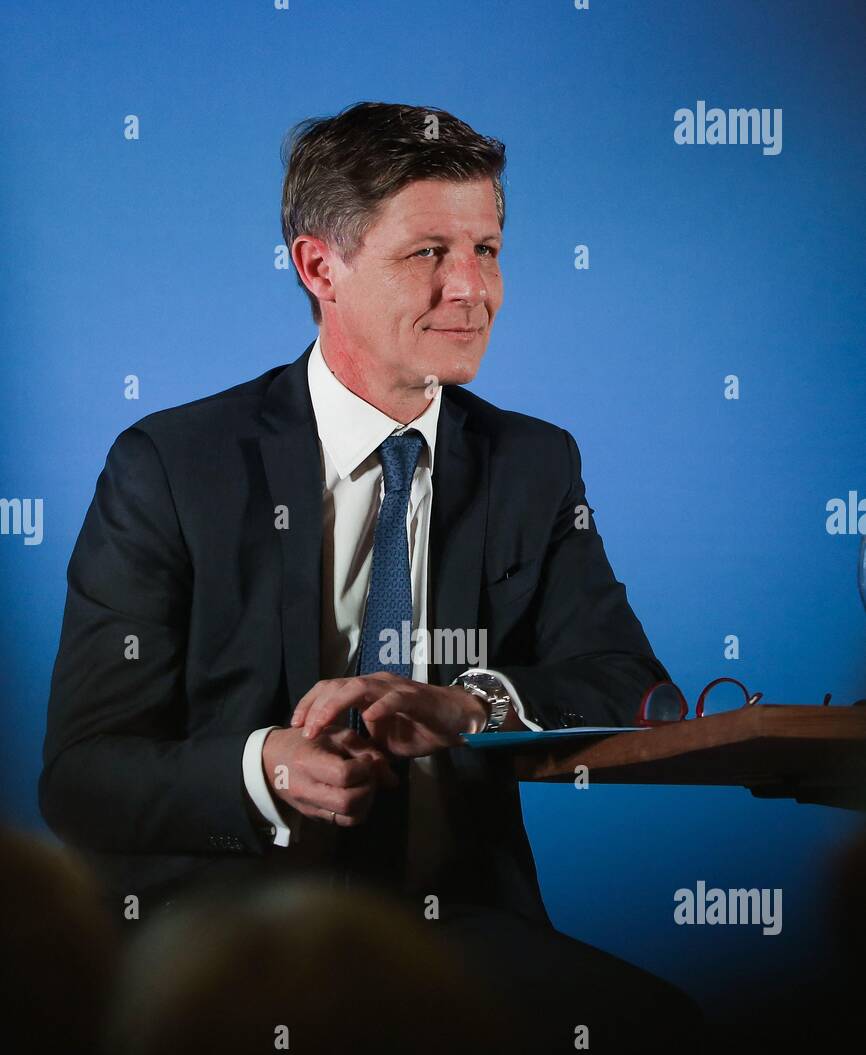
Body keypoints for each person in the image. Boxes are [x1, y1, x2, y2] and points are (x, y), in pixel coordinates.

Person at [39, 100, 669, 933]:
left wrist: (475, 704)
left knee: (663, 1039)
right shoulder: (171, 465)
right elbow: (84, 776)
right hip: (224, 946)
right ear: (319, 267)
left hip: (465, 940)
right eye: (428, 253)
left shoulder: (534, 463)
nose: (472, 289)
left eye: (487, 250)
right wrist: (266, 770)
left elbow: (632, 685)